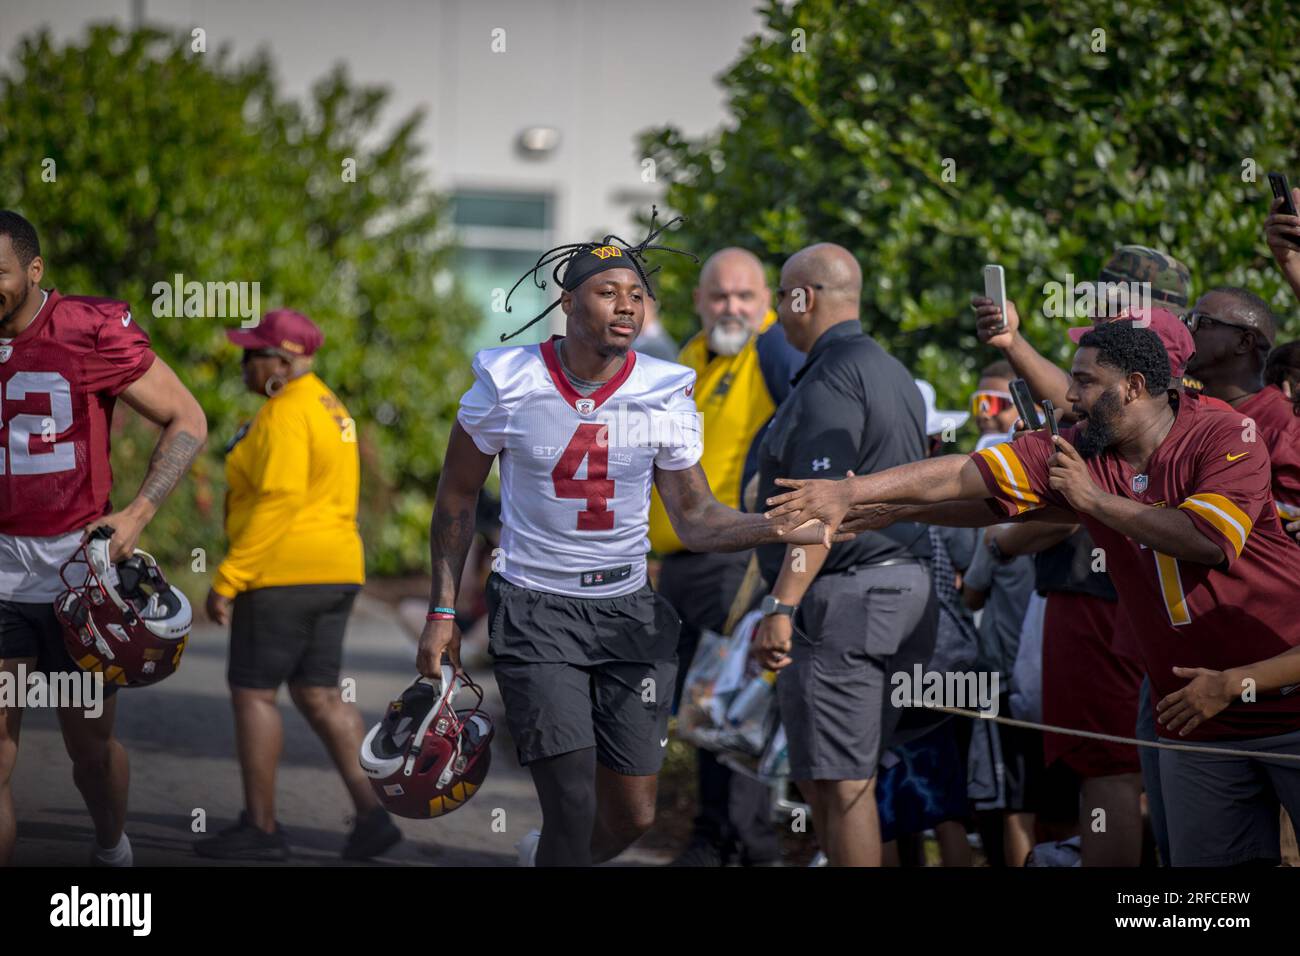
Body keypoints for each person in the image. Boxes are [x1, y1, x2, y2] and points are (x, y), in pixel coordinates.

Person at [767, 321, 1300, 866]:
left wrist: (1094, 502)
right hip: (1195, 717)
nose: (1070, 396)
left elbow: (1208, 540)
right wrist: (857, 495)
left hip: (1288, 700)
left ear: (1135, 386)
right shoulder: (1081, 449)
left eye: (1085, 381)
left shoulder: (1228, 433)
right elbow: (964, 475)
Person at [417, 218, 835, 867]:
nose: (627, 304)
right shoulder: (509, 379)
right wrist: (443, 610)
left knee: (633, 816)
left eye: (637, 294)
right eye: (608, 290)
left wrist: (784, 523)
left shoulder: (663, 388)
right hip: (536, 608)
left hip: (628, 610)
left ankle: (546, 858)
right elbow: (456, 499)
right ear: (567, 302)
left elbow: (696, 519)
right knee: (573, 802)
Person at [0, 210, 208, 867]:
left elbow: (187, 416)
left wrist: (139, 514)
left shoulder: (87, 330)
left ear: (35, 271)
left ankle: (111, 845)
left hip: (76, 584)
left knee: (88, 753)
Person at [750, 242, 937, 867]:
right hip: (898, 592)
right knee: (834, 774)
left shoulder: (833, 377)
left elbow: (816, 510)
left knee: (839, 780)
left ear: (804, 297)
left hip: (852, 598)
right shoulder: (889, 370)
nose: (777, 309)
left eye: (781, 295)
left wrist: (781, 605)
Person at [195, 309, 398, 862]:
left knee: (255, 693)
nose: (242, 365)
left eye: (250, 355)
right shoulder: (331, 406)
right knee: (320, 693)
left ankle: (261, 829)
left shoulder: (286, 413)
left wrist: (230, 578)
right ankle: (373, 815)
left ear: (281, 361)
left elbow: (278, 501)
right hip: (336, 571)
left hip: (284, 574)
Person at [646, 247, 803, 867]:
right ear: (699, 301)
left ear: (767, 300)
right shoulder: (691, 356)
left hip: (739, 560)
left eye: (744, 295)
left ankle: (745, 843)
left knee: (735, 703)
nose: (731, 307)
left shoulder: (774, 349)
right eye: (719, 296)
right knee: (705, 704)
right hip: (684, 564)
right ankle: (714, 834)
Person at [960, 362, 1039, 866]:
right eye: (978, 404)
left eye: (998, 404)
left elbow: (972, 590)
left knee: (1017, 800)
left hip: (1013, 670)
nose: (987, 416)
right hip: (1030, 664)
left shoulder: (1003, 463)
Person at [1183, 287, 1300, 525]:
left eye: (1200, 322)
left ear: (1244, 342)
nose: (1187, 329)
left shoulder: (1284, 429)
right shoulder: (1179, 407)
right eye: (1187, 319)